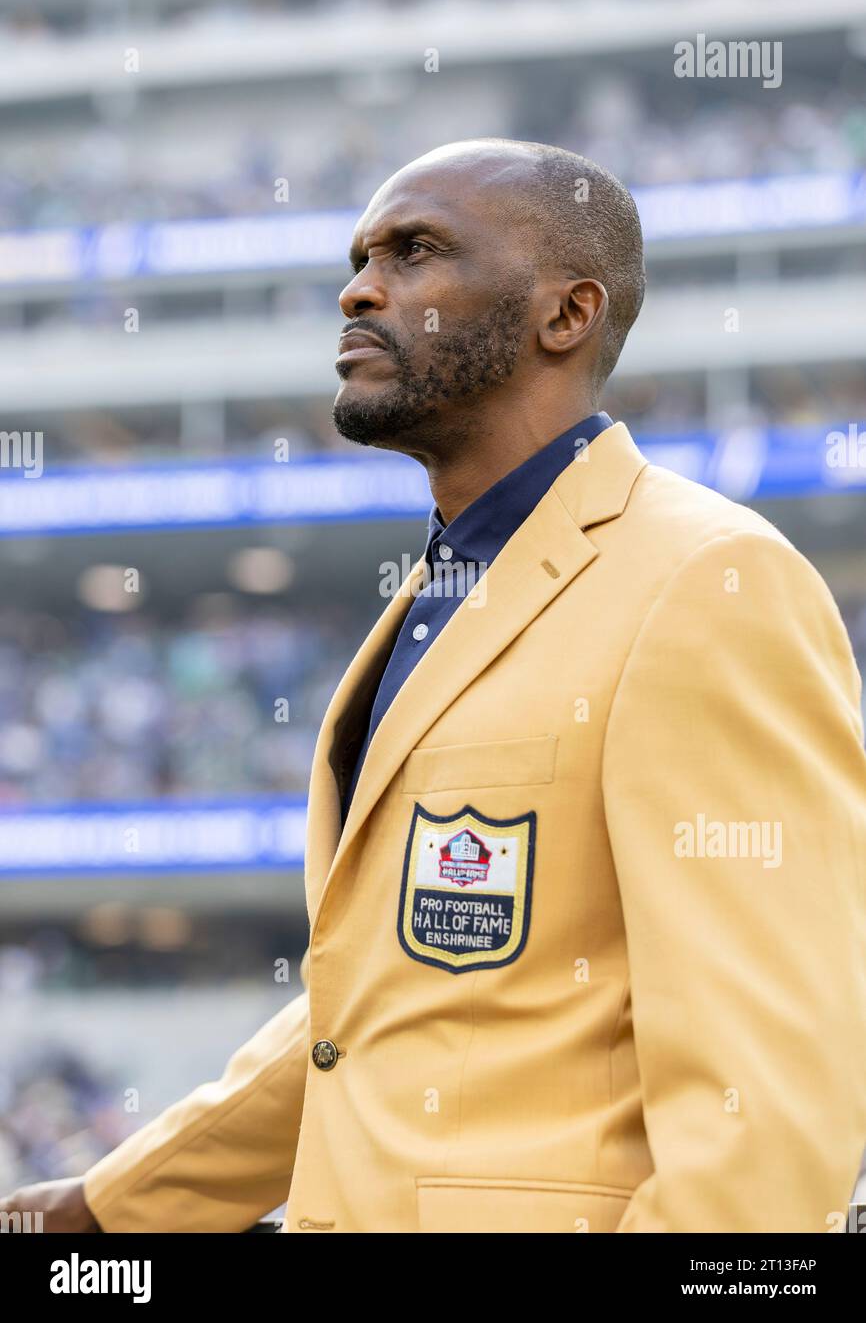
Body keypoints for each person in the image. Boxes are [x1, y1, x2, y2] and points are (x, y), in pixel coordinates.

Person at [5, 139, 866, 1233]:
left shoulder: (706, 583)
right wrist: (107, 1206)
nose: (357, 288)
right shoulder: (440, 593)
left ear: (566, 314)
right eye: (360, 256)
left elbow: (769, 1126)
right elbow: (367, 1014)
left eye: (414, 251)